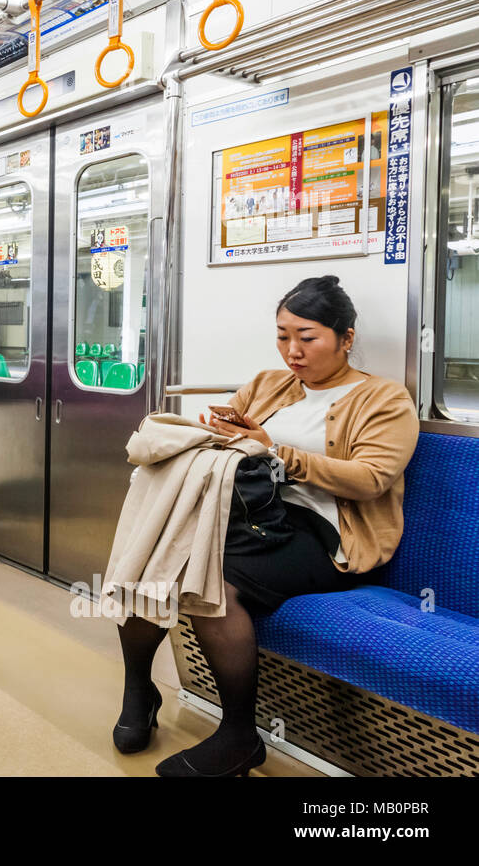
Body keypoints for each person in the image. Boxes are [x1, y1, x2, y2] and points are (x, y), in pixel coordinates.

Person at [111, 276, 418, 777]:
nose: (292, 351)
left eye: (307, 337)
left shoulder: (384, 400)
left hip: (325, 534)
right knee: (155, 554)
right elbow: (239, 449)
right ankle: (139, 689)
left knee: (214, 581)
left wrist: (273, 449)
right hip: (251, 515)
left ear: (346, 338)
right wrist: (223, 433)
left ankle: (238, 737)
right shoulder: (268, 384)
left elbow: (370, 480)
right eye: (282, 336)